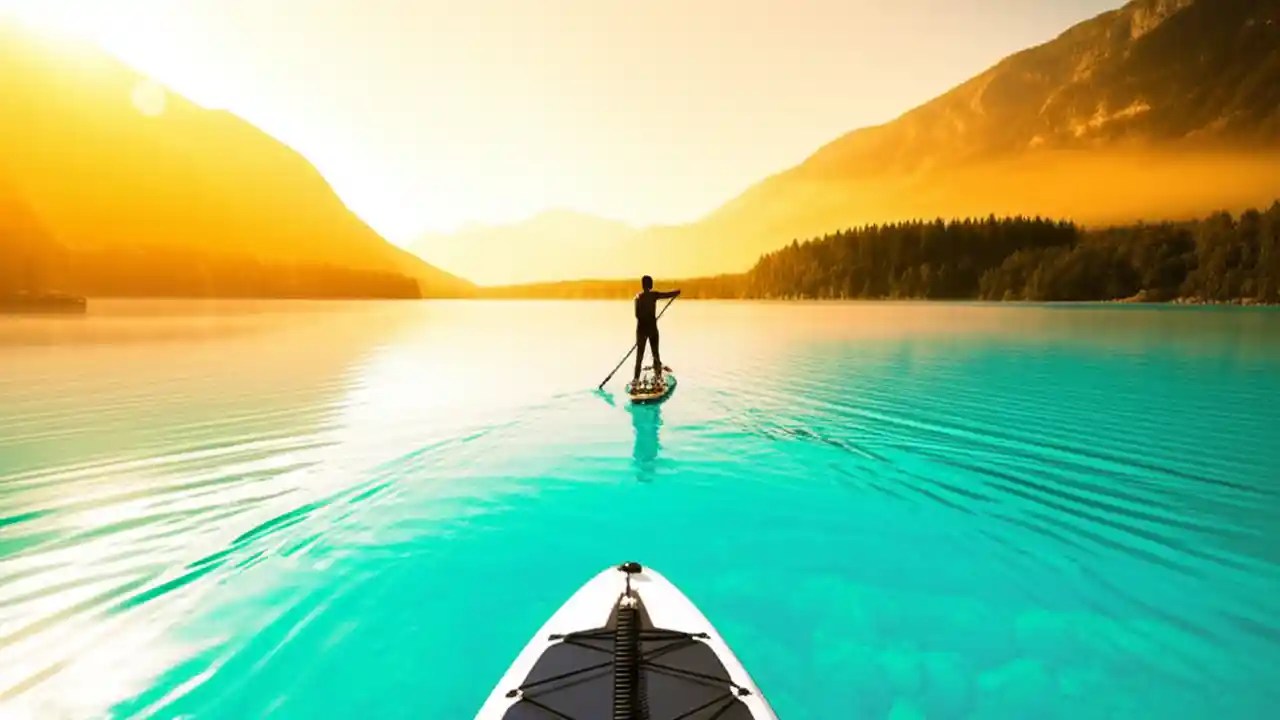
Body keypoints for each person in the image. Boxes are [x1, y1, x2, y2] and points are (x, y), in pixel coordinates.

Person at [634, 275, 680, 385]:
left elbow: (637, 315)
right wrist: (677, 292)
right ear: (649, 285)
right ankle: (658, 377)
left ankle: (636, 379)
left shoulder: (637, 297)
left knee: (639, 357)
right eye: (651, 282)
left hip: (641, 330)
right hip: (651, 329)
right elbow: (667, 295)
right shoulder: (652, 295)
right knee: (655, 354)